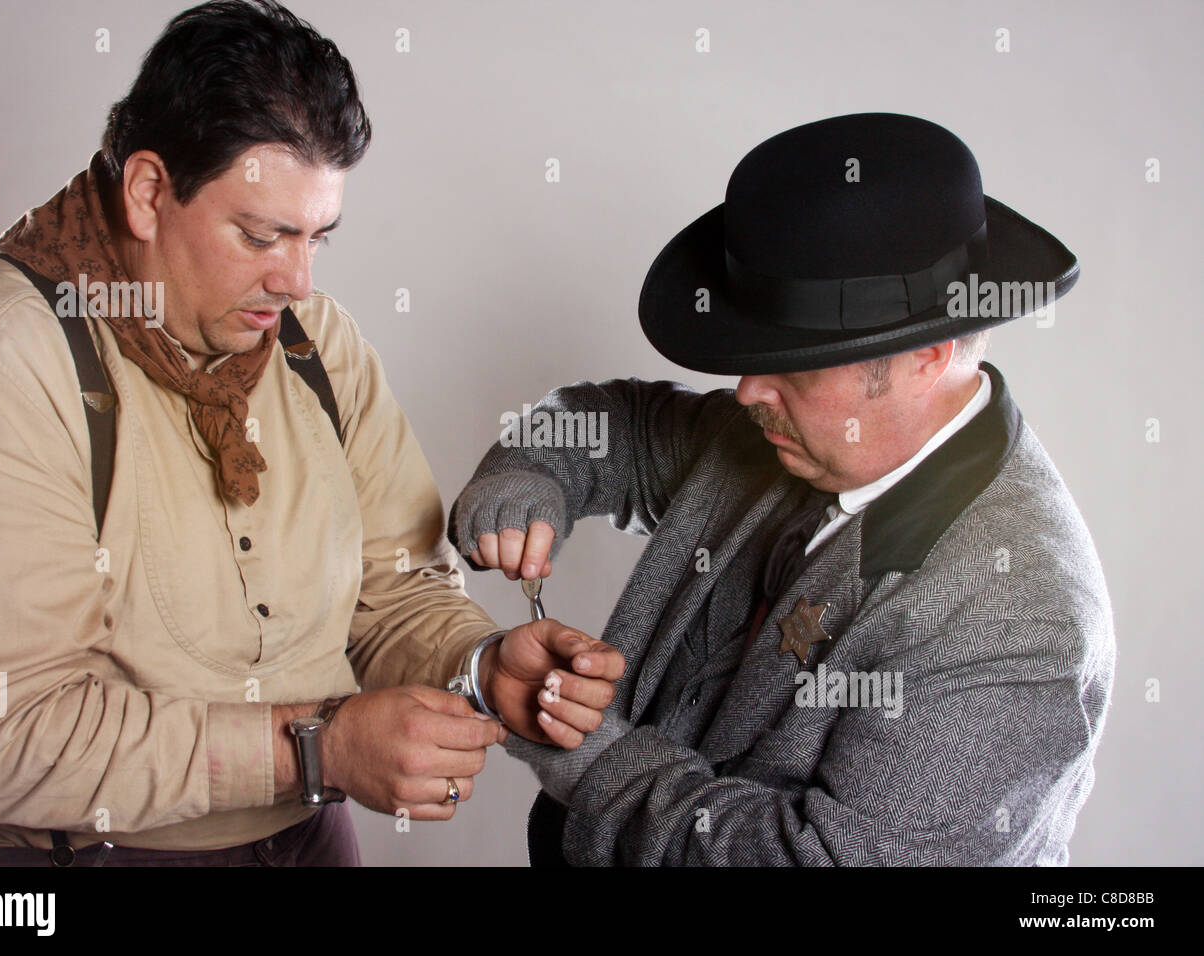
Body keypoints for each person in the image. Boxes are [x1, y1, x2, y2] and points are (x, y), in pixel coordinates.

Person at [0, 0, 622, 867]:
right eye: (261, 235)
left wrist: (477, 664)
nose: (297, 280)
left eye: (319, 235)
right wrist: (316, 748)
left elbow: (390, 593)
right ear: (147, 192)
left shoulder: (319, 346)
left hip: (303, 837)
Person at [449, 112, 1116, 866]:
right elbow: (621, 425)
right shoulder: (792, 434)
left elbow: (813, 862)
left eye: (794, 366)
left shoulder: (1018, 621)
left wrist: (595, 762)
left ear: (926, 355)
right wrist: (534, 468)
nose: (746, 391)